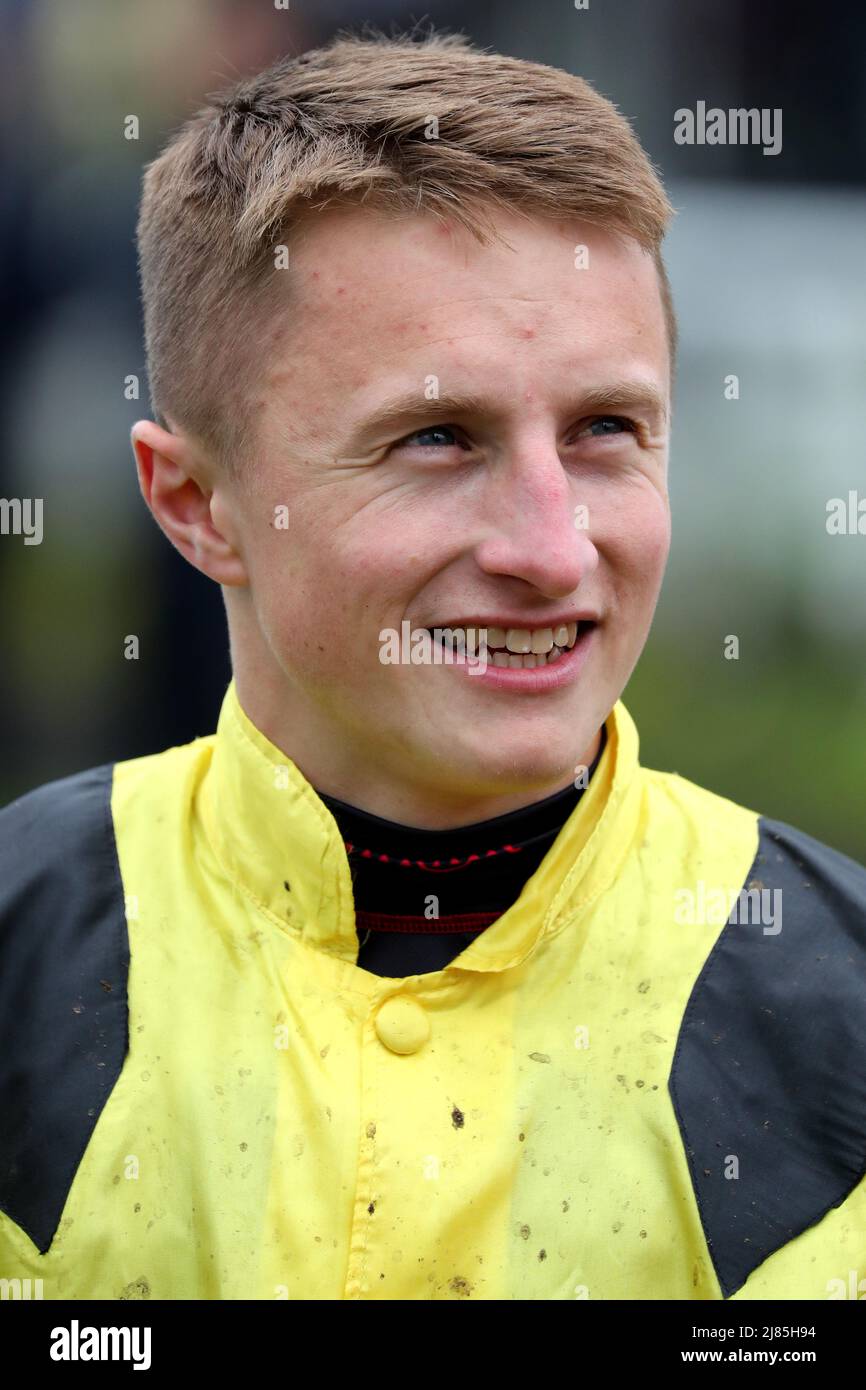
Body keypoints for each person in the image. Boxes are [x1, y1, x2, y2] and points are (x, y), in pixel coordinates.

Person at [1, 27, 864, 1303]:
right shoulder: (26, 954)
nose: (549, 547)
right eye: (437, 437)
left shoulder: (834, 1004)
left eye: (605, 431)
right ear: (195, 504)